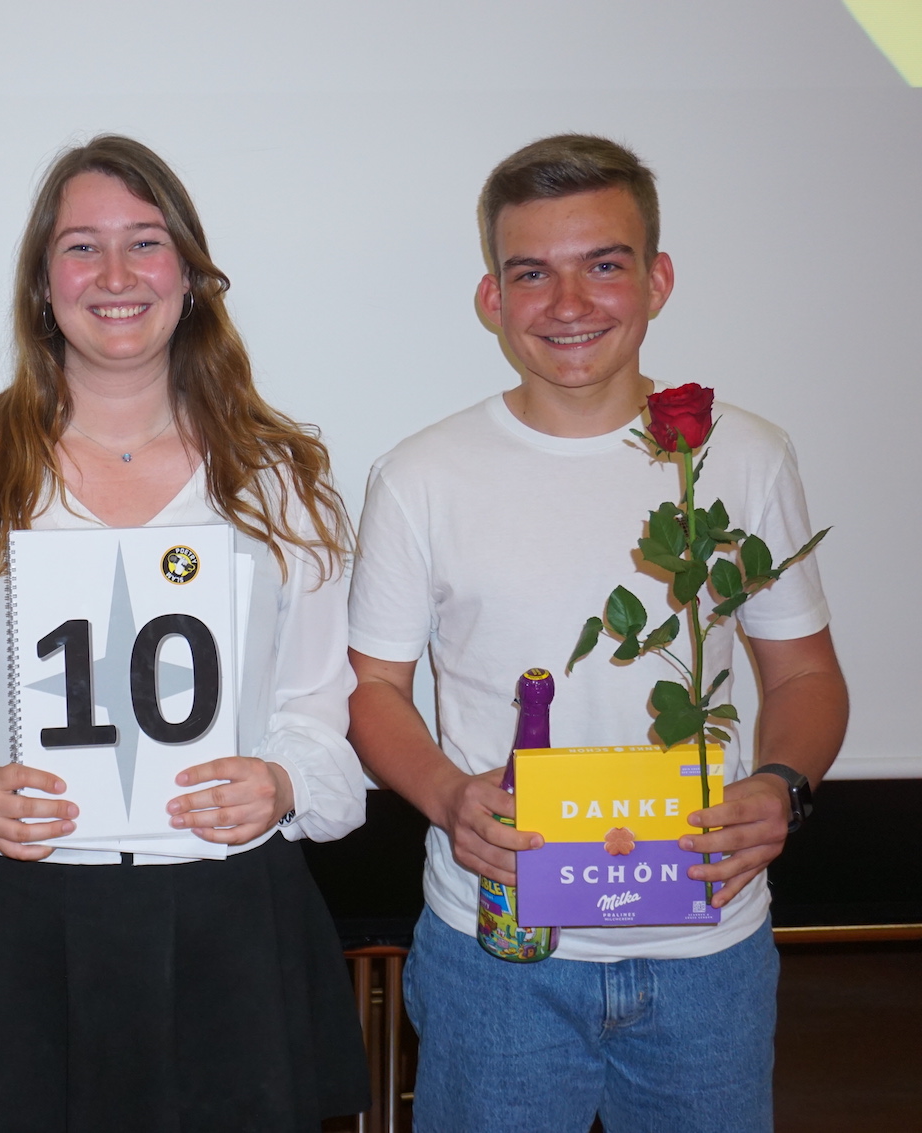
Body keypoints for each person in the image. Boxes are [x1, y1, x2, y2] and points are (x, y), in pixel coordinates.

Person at [0, 134, 368, 1133]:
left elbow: (313, 706)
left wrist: (285, 779)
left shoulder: (279, 477)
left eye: (146, 242)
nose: (118, 276)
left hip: (223, 918)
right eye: (82, 247)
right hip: (10, 920)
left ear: (191, 273)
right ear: (43, 284)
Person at [346, 135, 849, 1132]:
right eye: (531, 272)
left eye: (602, 264)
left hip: (707, 954)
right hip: (499, 951)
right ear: (492, 298)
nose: (567, 303)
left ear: (656, 280)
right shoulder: (421, 474)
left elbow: (804, 675)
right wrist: (448, 797)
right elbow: (371, 692)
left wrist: (780, 786)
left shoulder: (740, 454)